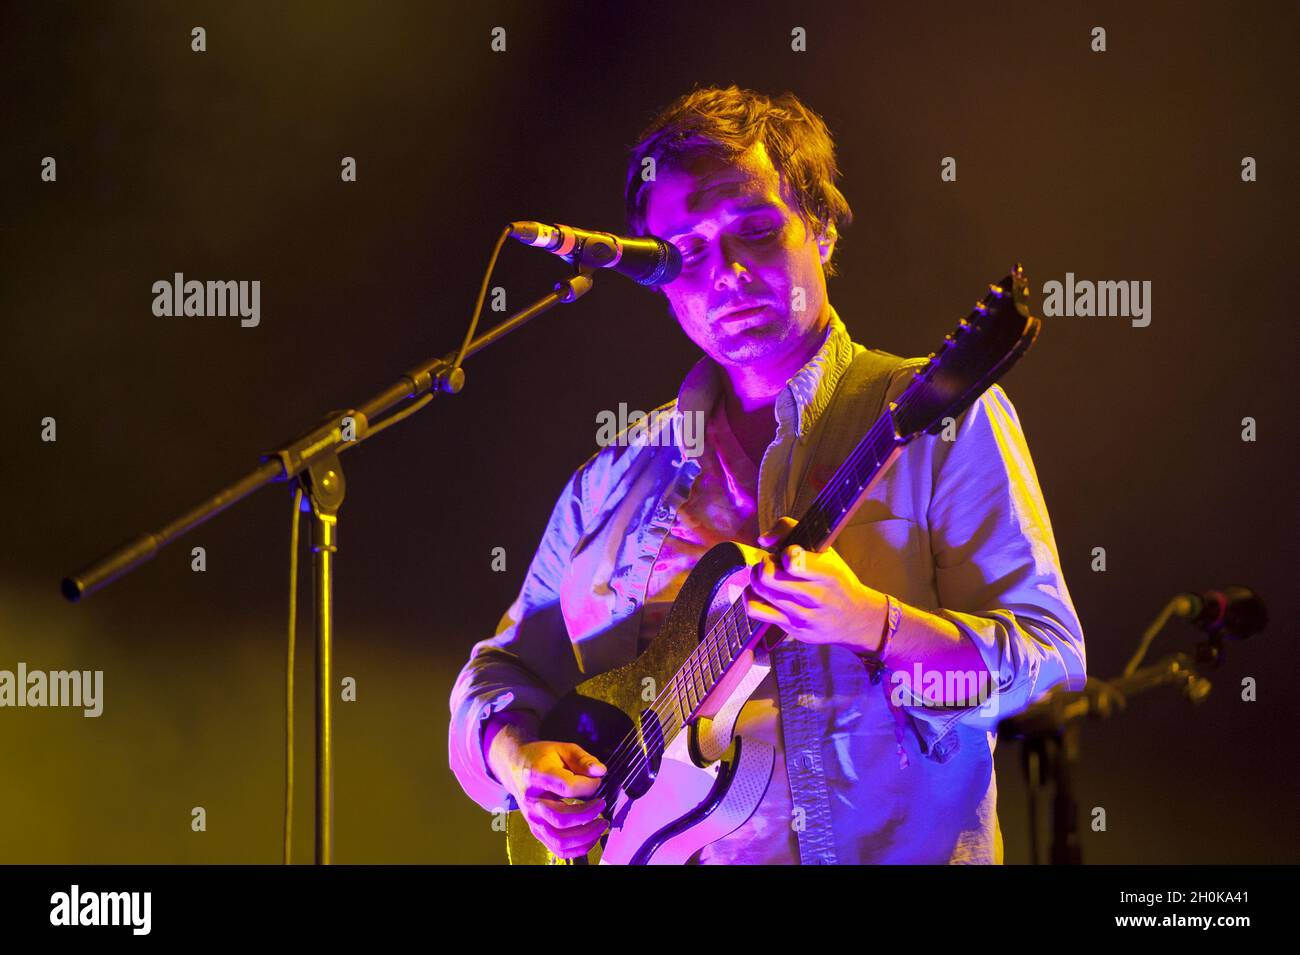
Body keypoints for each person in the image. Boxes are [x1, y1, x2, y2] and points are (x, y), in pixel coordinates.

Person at [448, 85, 1086, 864]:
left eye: (755, 228)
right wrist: (519, 762)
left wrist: (872, 623)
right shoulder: (609, 479)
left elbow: (1048, 666)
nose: (728, 271)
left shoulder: (939, 416)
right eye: (687, 251)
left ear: (818, 228)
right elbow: (502, 670)